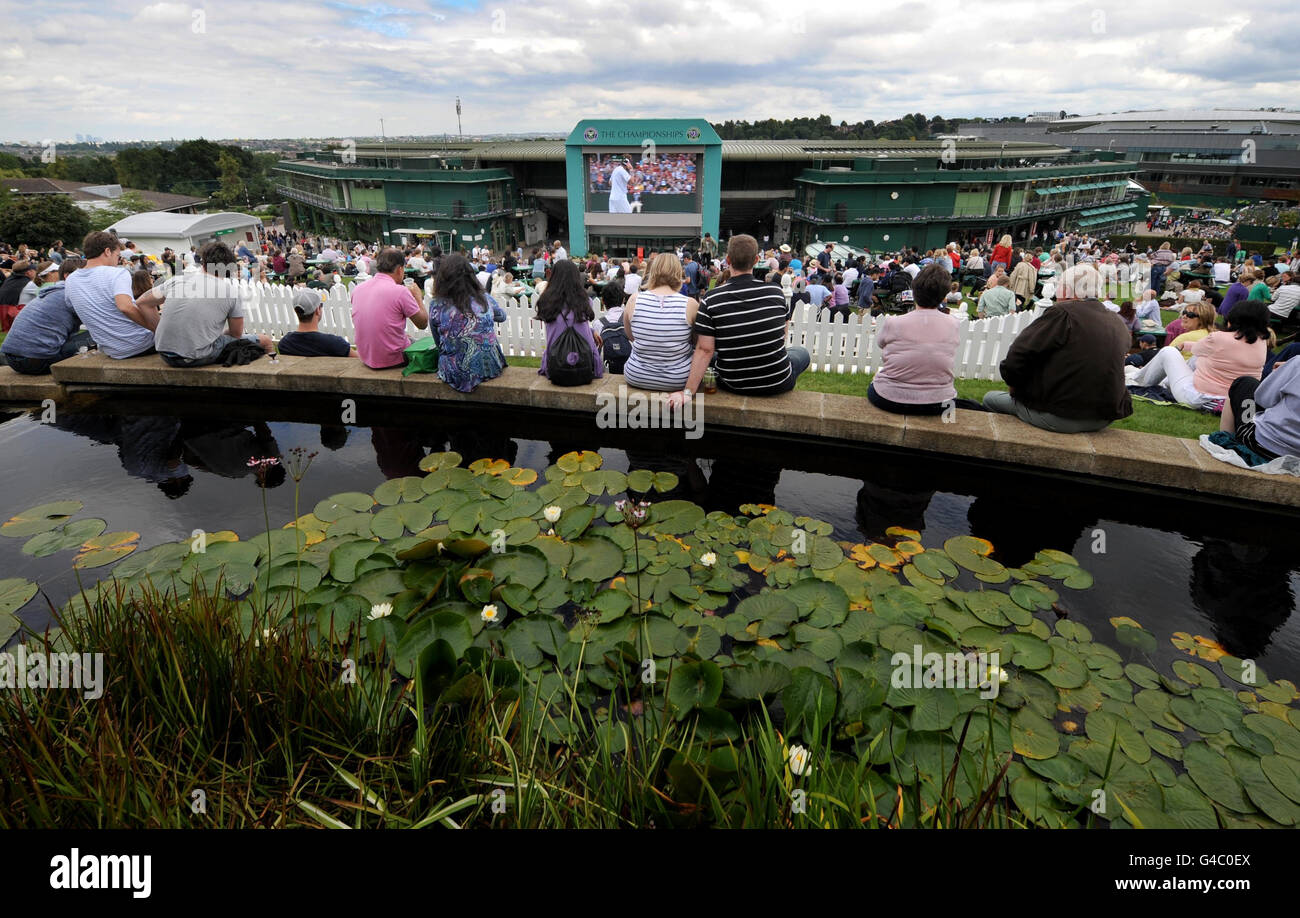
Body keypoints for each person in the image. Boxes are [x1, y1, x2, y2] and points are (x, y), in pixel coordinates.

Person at [983, 263, 1132, 433]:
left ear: (1070, 290)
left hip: (1059, 413)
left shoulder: (1063, 314)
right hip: (1104, 416)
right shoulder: (1117, 322)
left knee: (991, 398)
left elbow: (1018, 355)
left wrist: (1015, 386)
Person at [671, 234, 810, 404]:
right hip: (778, 381)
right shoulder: (776, 292)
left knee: (713, 355)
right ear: (757, 259)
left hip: (733, 382)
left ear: (728, 260)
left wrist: (687, 392)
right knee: (801, 353)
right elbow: (781, 336)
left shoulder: (711, 299)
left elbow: (704, 350)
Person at [153, 242, 275, 368]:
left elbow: (141, 303)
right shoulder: (231, 292)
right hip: (195, 356)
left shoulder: (176, 281)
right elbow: (236, 334)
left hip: (165, 354)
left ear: (203, 263)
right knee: (265, 340)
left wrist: (158, 330)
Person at [1133, 301, 1269, 409]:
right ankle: (1154, 380)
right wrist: (1186, 344)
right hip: (1232, 399)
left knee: (1169, 351)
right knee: (1200, 357)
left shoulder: (1218, 338)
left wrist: (1183, 345)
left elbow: (1197, 350)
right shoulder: (1262, 343)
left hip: (1200, 397)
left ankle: (1139, 381)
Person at [867, 265, 961, 415]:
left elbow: (880, 343)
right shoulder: (953, 324)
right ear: (944, 296)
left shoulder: (894, 322)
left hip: (889, 397)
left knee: (876, 379)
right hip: (940, 401)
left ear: (914, 292)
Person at [64, 230, 162, 359]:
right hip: (142, 344)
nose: (118, 261)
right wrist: (156, 329)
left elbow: (73, 308)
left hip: (111, 350)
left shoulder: (71, 279)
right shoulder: (117, 273)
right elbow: (125, 307)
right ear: (107, 251)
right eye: (117, 256)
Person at [427, 254, 506, 393]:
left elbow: (438, 341)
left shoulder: (437, 305)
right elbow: (502, 317)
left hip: (455, 371)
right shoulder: (483, 298)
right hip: (490, 366)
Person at [0, 257, 93, 375]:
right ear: (67, 276)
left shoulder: (53, 292)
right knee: (99, 335)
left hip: (13, 359)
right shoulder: (71, 294)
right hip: (36, 361)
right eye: (87, 275)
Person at [622, 252, 696, 391]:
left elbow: (631, 336)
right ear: (678, 272)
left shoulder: (633, 300)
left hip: (637, 375)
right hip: (677, 379)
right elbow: (695, 342)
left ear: (653, 271)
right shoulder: (690, 304)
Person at [350, 247, 429, 369]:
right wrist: (418, 297)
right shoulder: (400, 292)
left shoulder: (357, 289)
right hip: (393, 359)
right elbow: (423, 323)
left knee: (408, 337)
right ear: (400, 269)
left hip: (366, 356)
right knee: (427, 349)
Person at [535, 259, 603, 384]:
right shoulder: (585, 302)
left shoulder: (546, 303)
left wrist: (591, 331)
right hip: (585, 365)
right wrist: (591, 331)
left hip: (555, 364)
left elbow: (560, 325)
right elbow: (576, 324)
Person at [1221, 356, 1300, 460]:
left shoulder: (1297, 363)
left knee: (1242, 384)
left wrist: (1286, 372)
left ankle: (1225, 445)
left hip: (1265, 446)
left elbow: (1263, 399)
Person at [277, 289, 355, 357]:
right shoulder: (335, 344)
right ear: (318, 310)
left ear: (296, 311)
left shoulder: (285, 344)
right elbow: (360, 359)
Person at [0, 260, 39, 331]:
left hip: (6, 318)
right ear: (29, 272)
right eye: (34, 270)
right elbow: (44, 295)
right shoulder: (29, 285)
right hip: (18, 318)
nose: (36, 272)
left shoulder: (9, 280)